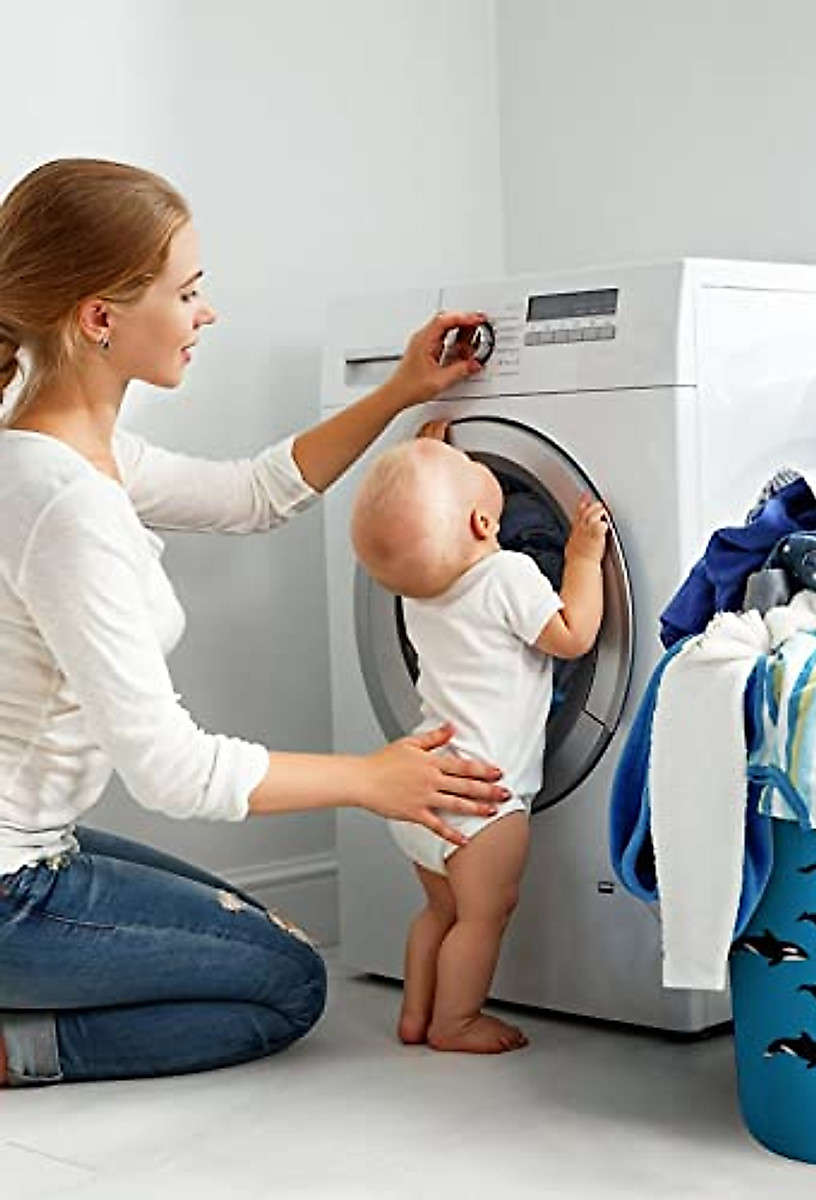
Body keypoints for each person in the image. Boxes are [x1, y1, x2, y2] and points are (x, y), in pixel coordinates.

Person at [0, 157, 511, 1087]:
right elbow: (169, 767)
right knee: (288, 983)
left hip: (29, 847)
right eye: (186, 292)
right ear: (100, 317)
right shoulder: (65, 502)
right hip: (11, 887)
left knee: (260, 936)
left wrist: (402, 388)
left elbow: (254, 494)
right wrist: (371, 779)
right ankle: (16, 1048)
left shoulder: (63, 451)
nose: (208, 313)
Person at [350, 423, 608, 1053]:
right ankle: (456, 1021)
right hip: (485, 798)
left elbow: (425, 530)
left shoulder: (419, 592)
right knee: (483, 916)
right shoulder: (509, 574)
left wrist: (431, 459)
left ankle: (416, 1014)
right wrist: (580, 560)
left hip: (426, 787)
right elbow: (573, 636)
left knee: (439, 912)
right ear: (484, 524)